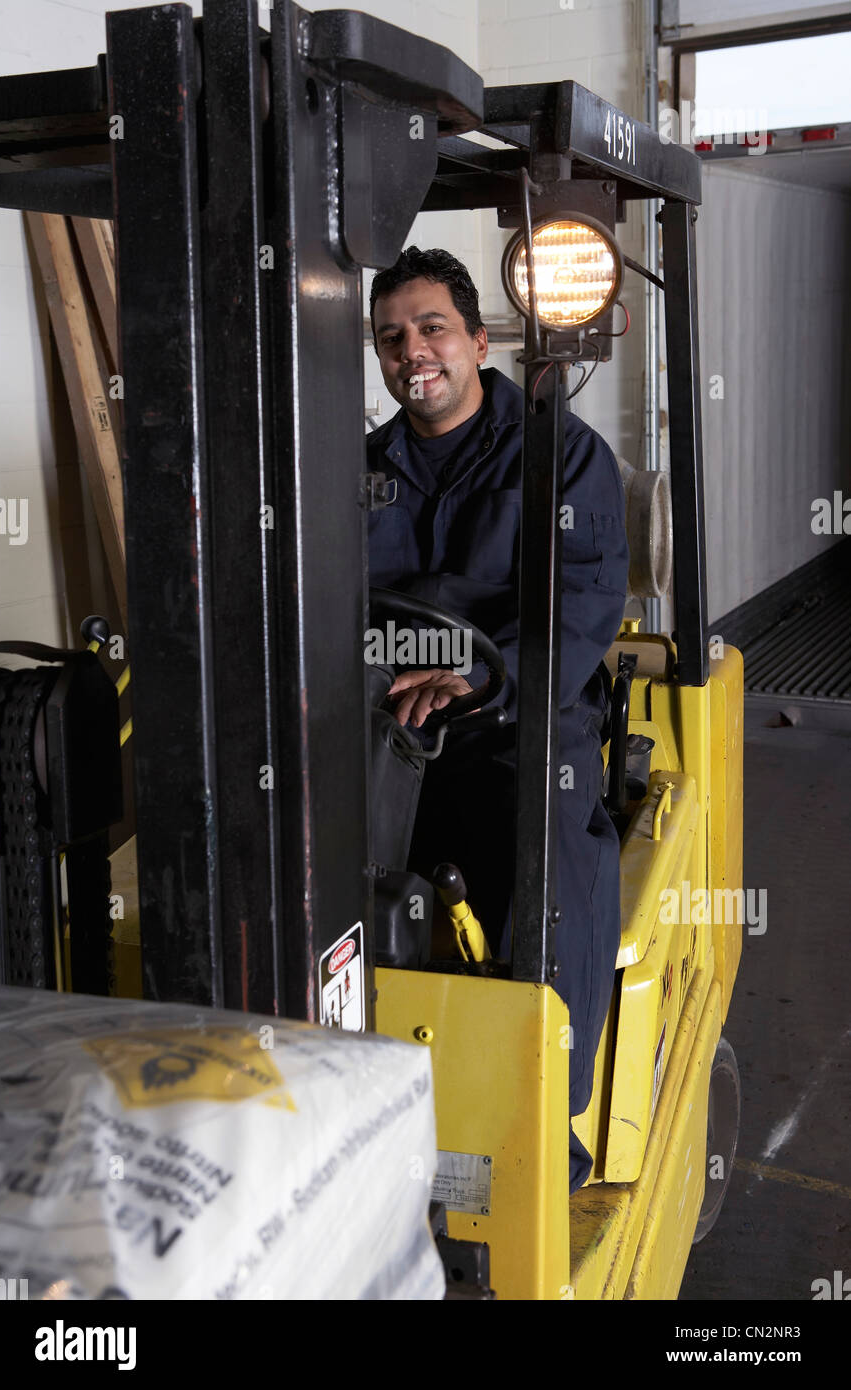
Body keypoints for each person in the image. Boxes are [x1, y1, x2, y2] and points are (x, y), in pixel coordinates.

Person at [366, 246, 628, 1192]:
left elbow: (584, 610)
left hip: (525, 705)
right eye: (392, 337)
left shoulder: (563, 456)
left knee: (551, 828)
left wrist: (488, 681)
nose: (412, 351)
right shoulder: (361, 470)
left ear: (479, 340)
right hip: (399, 710)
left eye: (431, 328)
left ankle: (541, 1107)